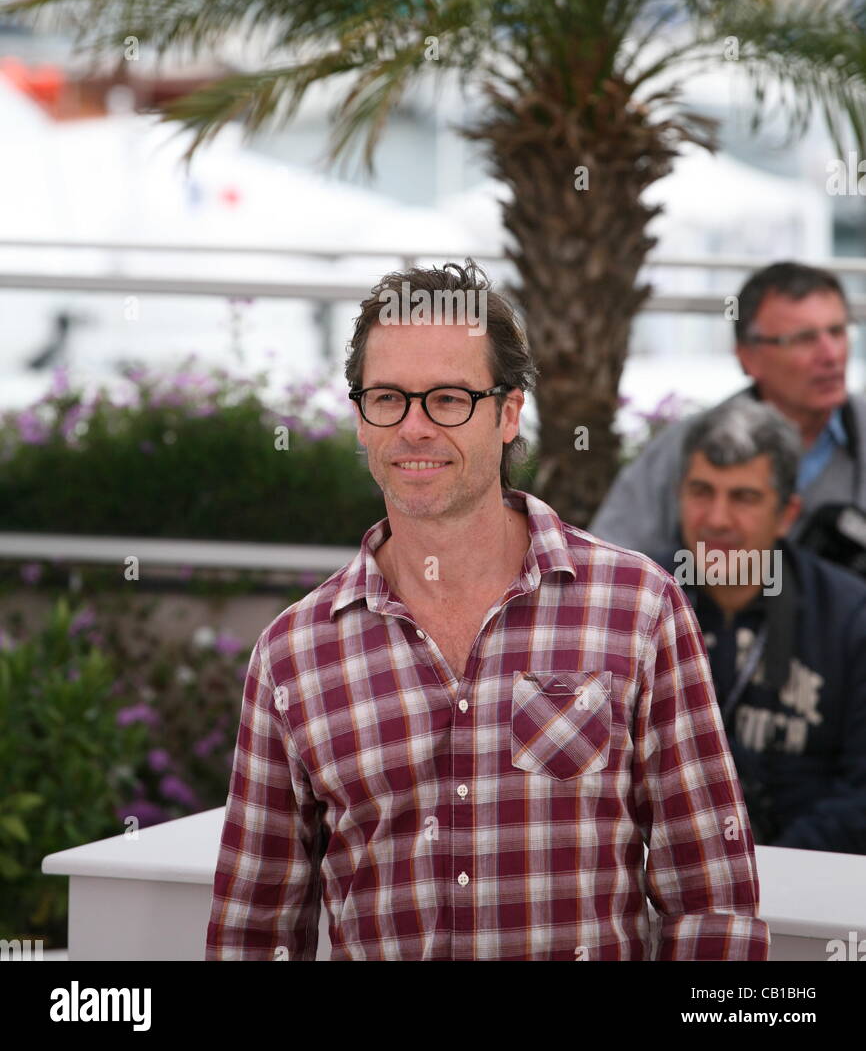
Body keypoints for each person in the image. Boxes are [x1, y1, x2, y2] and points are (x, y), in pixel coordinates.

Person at [206, 260, 769, 961]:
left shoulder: (638, 611)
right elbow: (252, 933)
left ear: (507, 414)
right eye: (387, 398)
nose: (413, 427)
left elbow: (712, 902)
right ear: (359, 416)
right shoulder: (295, 652)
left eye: (448, 399)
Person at [656, 396, 866, 854]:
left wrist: (766, 878)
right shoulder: (636, 603)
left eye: (744, 497)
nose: (717, 519)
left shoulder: (850, 617)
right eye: (701, 491)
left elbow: (860, 796)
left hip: (812, 893)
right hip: (659, 886)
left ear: (787, 514)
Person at [590, 261, 866, 559]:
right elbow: (608, 562)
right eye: (804, 339)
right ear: (749, 358)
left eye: (837, 332)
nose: (831, 355)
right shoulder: (686, 446)